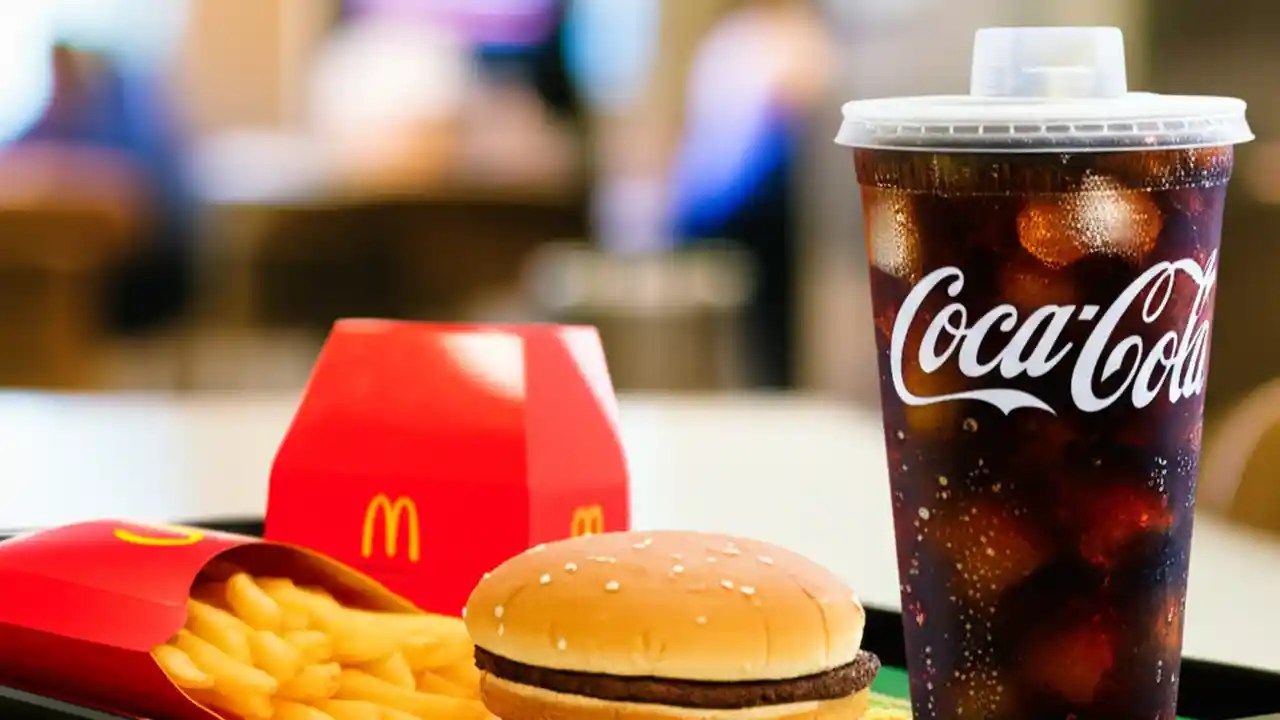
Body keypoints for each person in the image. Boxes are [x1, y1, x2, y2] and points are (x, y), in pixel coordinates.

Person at [667, 0, 832, 387]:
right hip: (738, 208)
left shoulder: (732, 39)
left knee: (749, 337)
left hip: (718, 203)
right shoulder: (762, 40)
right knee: (751, 337)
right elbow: (801, 89)